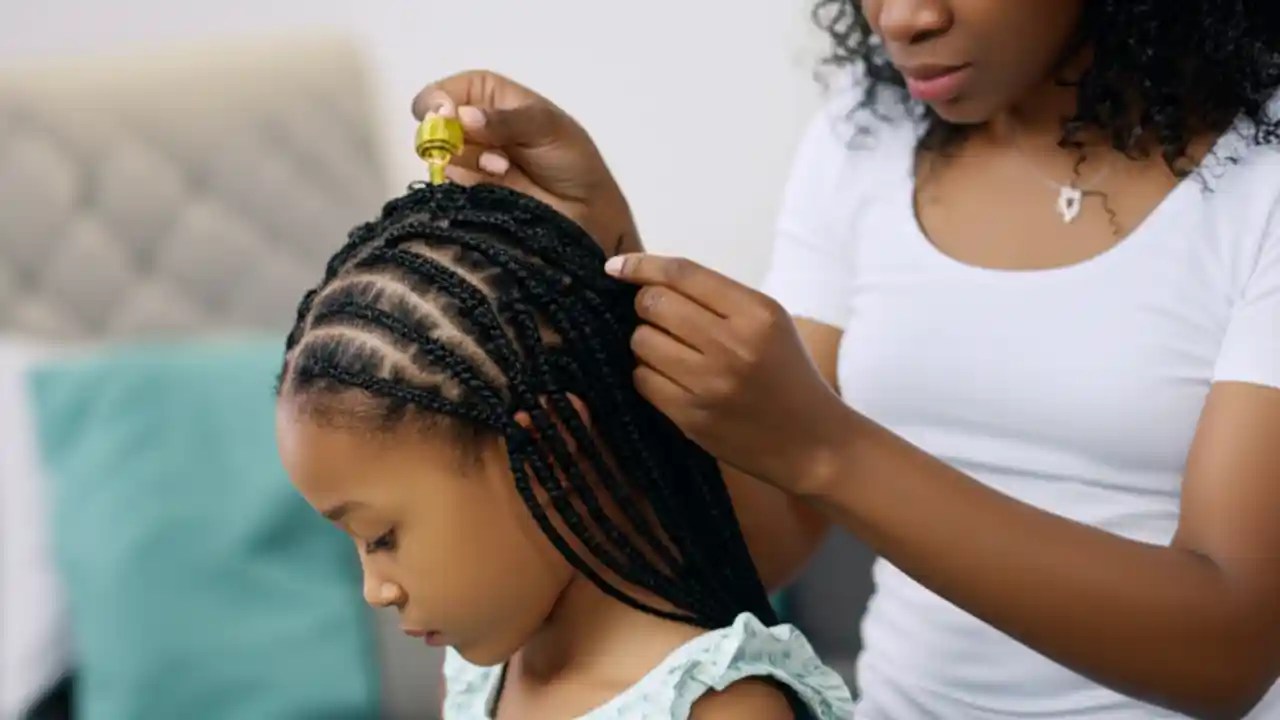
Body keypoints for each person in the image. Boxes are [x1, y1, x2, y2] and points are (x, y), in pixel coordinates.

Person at [412, 1, 1280, 717]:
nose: (902, 18)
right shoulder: (863, 140)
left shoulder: (1262, 180)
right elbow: (758, 541)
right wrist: (597, 245)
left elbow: (1228, 652)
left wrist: (827, 447)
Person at [274, 181, 855, 718]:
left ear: (550, 449)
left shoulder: (716, 706)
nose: (376, 590)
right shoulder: (481, 676)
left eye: (381, 536)